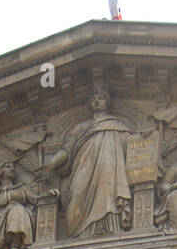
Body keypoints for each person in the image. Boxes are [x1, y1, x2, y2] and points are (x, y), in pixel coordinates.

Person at [45, 89, 131, 239]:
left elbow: (132, 146)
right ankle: (80, 234)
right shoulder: (80, 128)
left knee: (107, 193)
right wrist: (52, 163)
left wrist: (145, 139)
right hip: (82, 167)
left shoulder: (117, 125)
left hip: (109, 168)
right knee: (77, 193)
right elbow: (67, 150)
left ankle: (108, 229)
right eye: (94, 99)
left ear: (107, 103)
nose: (97, 101)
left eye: (101, 98)